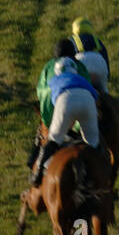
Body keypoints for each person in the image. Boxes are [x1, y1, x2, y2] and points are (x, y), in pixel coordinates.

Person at [31, 56, 101, 186]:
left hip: (66, 101)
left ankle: (38, 173)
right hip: (88, 100)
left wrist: (52, 124)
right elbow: (96, 98)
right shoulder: (82, 79)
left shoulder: (54, 81)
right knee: (94, 145)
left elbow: (46, 108)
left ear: (57, 71)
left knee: (53, 140)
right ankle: (103, 178)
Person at [28, 40, 87, 171]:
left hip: (55, 108)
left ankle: (37, 173)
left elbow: (41, 93)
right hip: (82, 108)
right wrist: (77, 127)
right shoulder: (79, 66)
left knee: (49, 138)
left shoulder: (48, 66)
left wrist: (49, 122)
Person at [70, 17, 110, 92]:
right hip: (99, 60)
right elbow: (104, 55)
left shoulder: (72, 39)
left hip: (81, 60)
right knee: (103, 89)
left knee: (81, 89)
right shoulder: (96, 40)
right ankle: (107, 100)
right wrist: (107, 75)